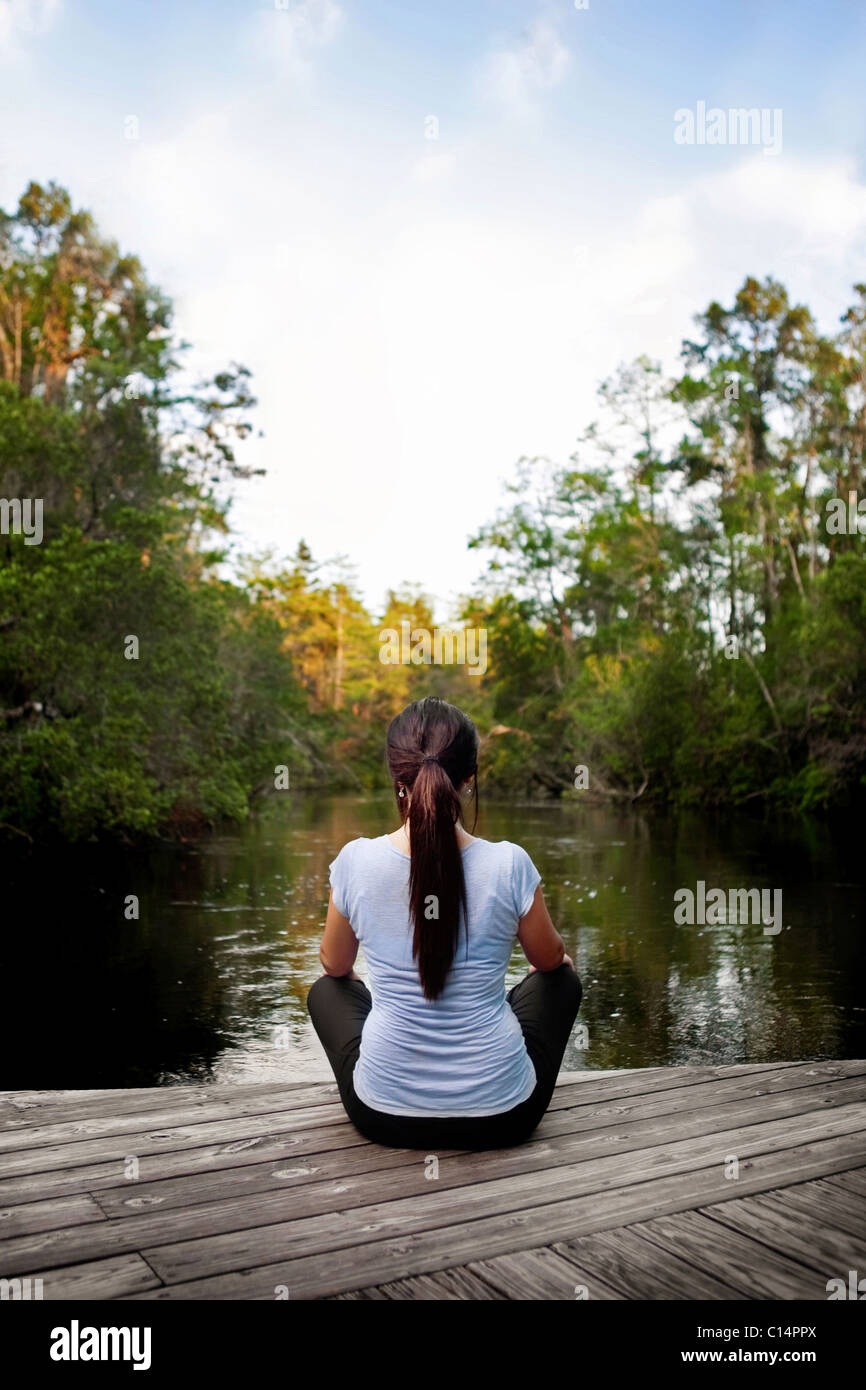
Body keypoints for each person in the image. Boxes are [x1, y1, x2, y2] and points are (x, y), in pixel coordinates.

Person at [306, 695, 582, 1150]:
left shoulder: (357, 861)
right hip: (503, 1115)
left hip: (383, 1115)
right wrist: (548, 969)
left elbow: (334, 967)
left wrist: (362, 986)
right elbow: (551, 960)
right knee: (561, 982)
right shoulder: (509, 864)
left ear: (399, 781)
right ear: (469, 779)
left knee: (327, 990)